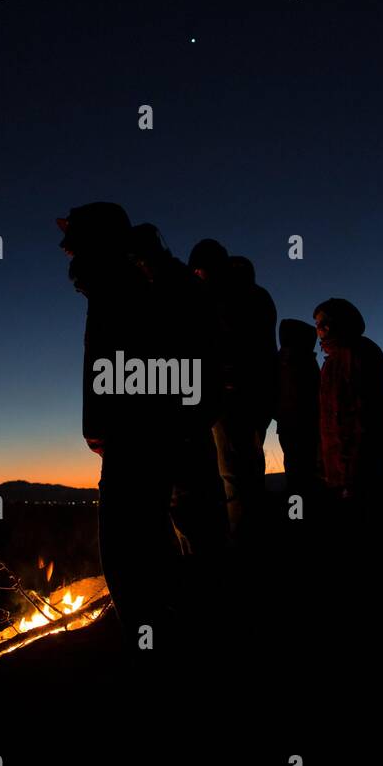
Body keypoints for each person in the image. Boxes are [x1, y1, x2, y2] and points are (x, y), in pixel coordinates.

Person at [63, 203, 182, 652]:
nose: (64, 249)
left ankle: (150, 645)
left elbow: (138, 370)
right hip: (134, 437)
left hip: (135, 440)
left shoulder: (122, 289)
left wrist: (114, 428)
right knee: (144, 536)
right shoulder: (117, 286)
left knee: (128, 546)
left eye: (73, 239)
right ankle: (161, 630)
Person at [128, 223, 226, 558]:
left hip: (180, 416)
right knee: (193, 500)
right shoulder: (179, 284)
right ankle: (205, 570)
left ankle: (206, 581)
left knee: (191, 502)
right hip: (187, 412)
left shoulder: (169, 288)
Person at [194, 245, 278, 543]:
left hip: (234, 399)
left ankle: (245, 545)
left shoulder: (232, 303)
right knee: (247, 471)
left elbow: (226, 348)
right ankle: (253, 535)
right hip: (255, 398)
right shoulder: (259, 299)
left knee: (235, 475)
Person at [314, 298, 383, 503]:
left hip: (361, 463)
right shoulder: (332, 360)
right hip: (341, 465)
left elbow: (366, 413)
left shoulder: (358, 353)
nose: (320, 328)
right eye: (317, 323)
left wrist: (352, 468)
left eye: (326, 321)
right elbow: (329, 417)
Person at [275, 318, 321, 499]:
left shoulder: (289, 362)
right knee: (303, 476)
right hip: (300, 427)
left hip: (294, 427)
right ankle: (300, 516)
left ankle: (298, 517)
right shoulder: (303, 362)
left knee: (298, 477)